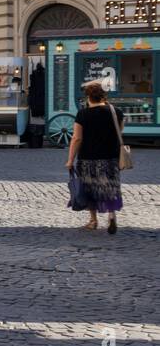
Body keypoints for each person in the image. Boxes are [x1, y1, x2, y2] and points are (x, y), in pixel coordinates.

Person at [66, 81, 125, 234]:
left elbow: (77, 138)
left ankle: (93, 221)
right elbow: (120, 132)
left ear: (88, 98)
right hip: (111, 156)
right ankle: (112, 215)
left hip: (88, 158)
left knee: (90, 189)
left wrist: (70, 159)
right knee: (110, 187)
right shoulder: (116, 111)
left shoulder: (83, 114)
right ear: (103, 96)